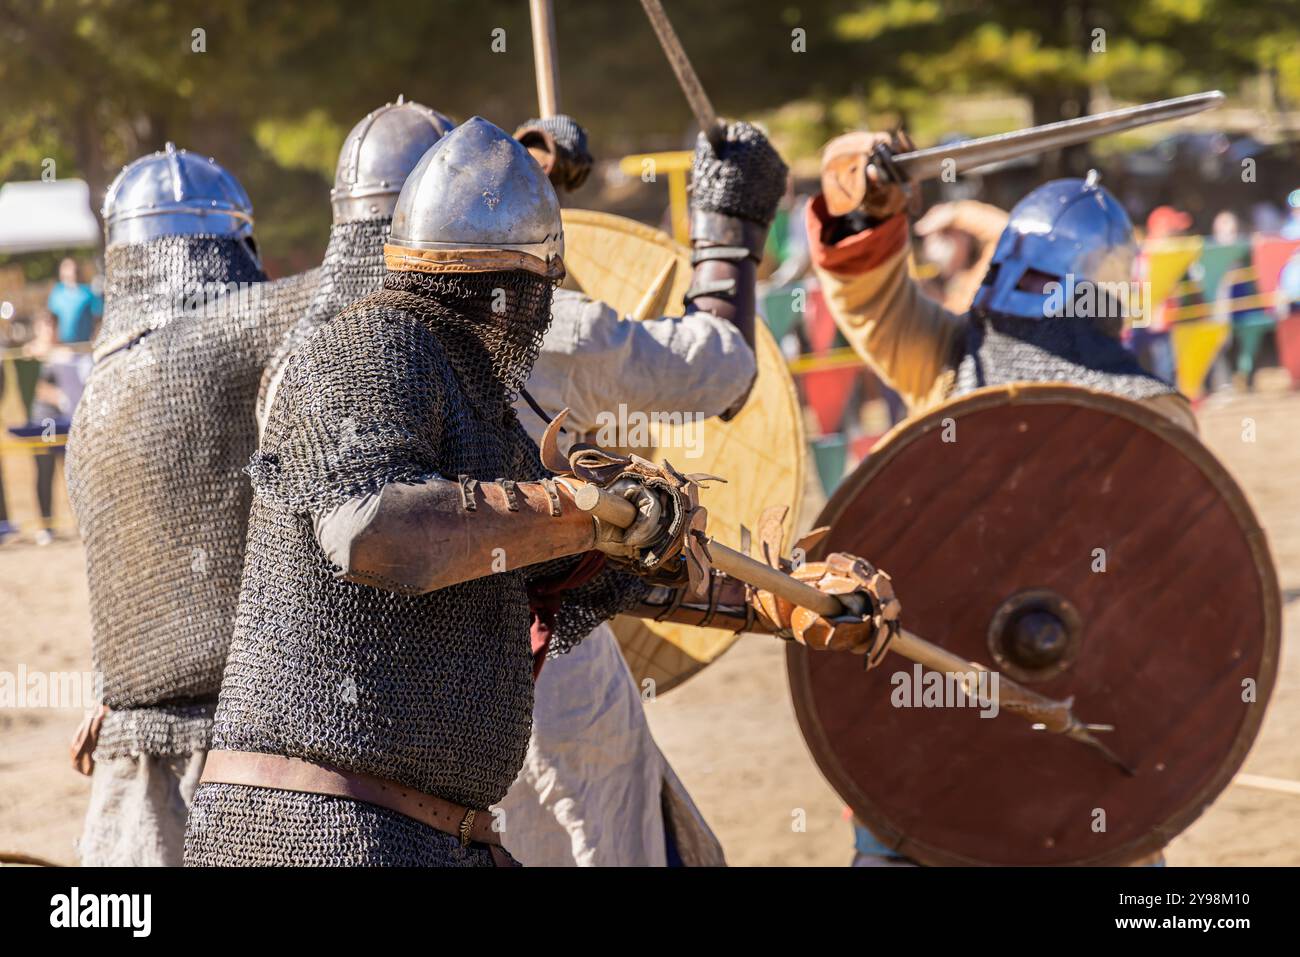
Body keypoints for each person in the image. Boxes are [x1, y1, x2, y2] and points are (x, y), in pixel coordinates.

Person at [183, 118, 895, 867]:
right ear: (517, 289)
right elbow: (371, 529)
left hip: (428, 830)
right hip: (319, 825)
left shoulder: (488, 418)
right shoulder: (368, 348)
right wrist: (577, 509)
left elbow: (592, 581)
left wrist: (774, 602)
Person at [808, 129, 1195, 865]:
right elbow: (869, 297)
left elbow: (1168, 588)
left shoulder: (1150, 413)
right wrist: (862, 200)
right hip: (937, 701)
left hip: (1075, 705)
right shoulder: (958, 358)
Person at [492, 115, 785, 865]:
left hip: (384, 709)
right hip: (545, 688)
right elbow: (719, 368)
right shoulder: (545, 328)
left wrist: (531, 183)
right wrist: (726, 229)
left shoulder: (309, 345)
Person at [67, 144, 284, 866]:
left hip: (129, 782)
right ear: (228, 249)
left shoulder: (97, 397)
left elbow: (139, 580)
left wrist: (112, 687)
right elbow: (353, 279)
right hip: (244, 761)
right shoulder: (217, 347)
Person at [19, 311, 90, 544]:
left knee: (71, 471)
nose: (49, 329)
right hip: (44, 422)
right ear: (38, 327)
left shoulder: (63, 351)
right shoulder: (29, 352)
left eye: (53, 325)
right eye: (45, 324)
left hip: (65, 420)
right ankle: (46, 525)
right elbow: (37, 387)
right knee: (45, 470)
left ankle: (81, 521)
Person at [47, 258, 102, 344]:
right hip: (62, 345)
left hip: (84, 344)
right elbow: (51, 319)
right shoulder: (56, 293)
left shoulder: (87, 293)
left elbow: (98, 317)